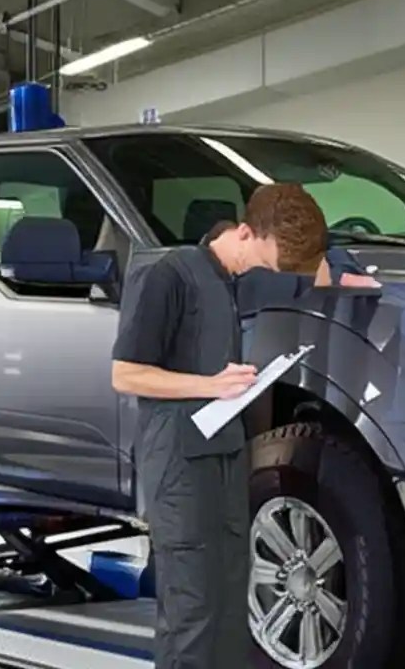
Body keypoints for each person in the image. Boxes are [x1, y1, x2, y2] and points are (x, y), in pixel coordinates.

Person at [110, 183, 332, 668]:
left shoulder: (230, 281)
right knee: (193, 607)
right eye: (264, 263)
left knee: (232, 601)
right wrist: (211, 385)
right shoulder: (168, 275)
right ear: (245, 232)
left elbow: (320, 272)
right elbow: (125, 374)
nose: (262, 276)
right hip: (178, 465)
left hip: (226, 455)